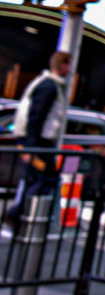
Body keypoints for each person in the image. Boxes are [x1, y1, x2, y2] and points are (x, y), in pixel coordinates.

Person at [4, 51, 69, 228]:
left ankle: (20, 216)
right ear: (62, 65)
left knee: (35, 179)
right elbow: (37, 115)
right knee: (44, 179)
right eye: (68, 65)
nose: (70, 69)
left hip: (33, 141)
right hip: (37, 142)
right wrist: (32, 148)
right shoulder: (49, 86)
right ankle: (17, 214)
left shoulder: (44, 83)